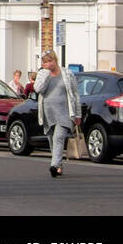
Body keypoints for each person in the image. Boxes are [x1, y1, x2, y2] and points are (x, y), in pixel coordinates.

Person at [36, 49, 81, 178]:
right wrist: (46, 75)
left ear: (55, 60)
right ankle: (58, 165)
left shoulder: (67, 74)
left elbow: (75, 94)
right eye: (45, 62)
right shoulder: (42, 74)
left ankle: (54, 166)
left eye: (50, 61)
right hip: (48, 113)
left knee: (58, 138)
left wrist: (78, 115)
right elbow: (39, 89)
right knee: (52, 140)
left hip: (64, 113)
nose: (48, 64)